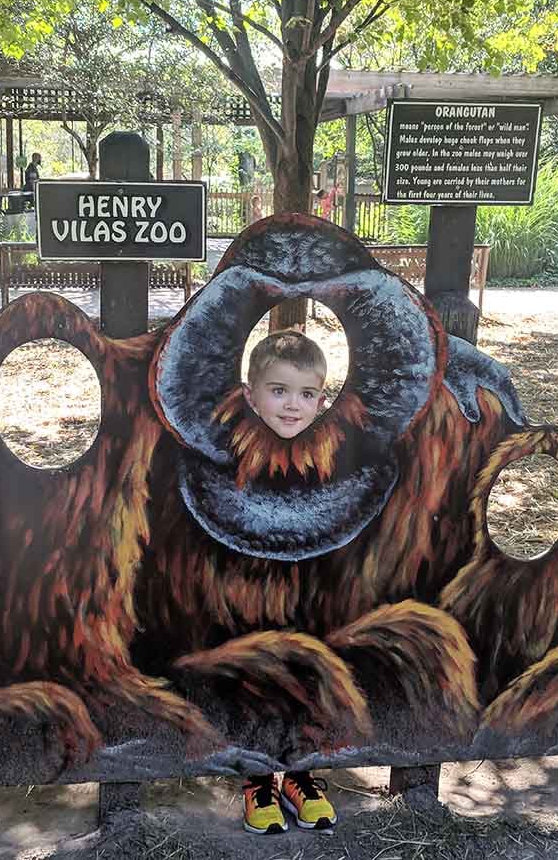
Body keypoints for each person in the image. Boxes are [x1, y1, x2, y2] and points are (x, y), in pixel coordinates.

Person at [240, 330, 337, 834]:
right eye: (278, 391)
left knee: (308, 675)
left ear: (323, 398)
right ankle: (258, 779)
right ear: (251, 394)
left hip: (309, 590)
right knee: (260, 677)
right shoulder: (237, 449)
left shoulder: (330, 453)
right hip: (250, 592)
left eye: (306, 394)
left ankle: (301, 774)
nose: (293, 405)